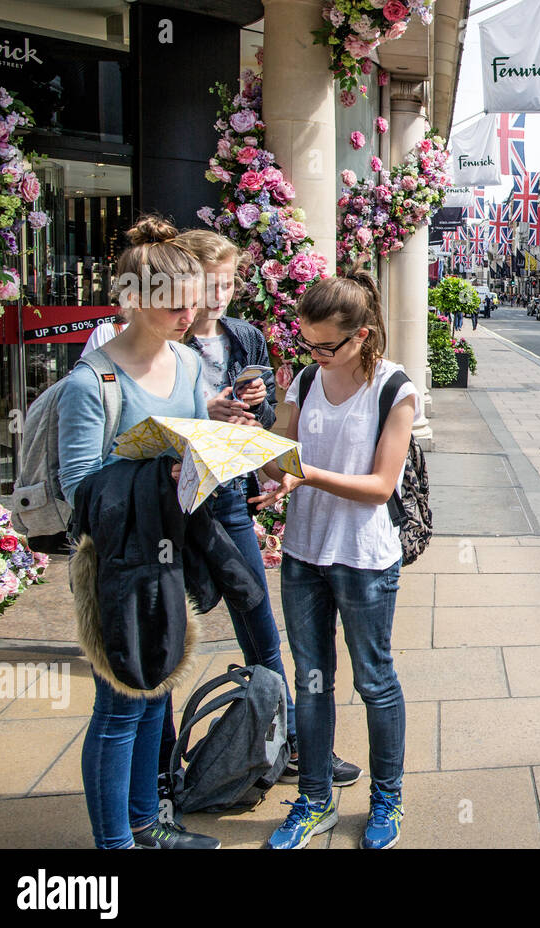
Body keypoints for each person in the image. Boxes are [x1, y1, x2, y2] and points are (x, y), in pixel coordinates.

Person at [165, 229, 361, 797]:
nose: (220, 294)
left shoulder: (244, 336)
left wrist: (254, 414)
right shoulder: (161, 341)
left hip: (227, 493)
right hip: (171, 503)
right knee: (167, 635)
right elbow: (149, 416)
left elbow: (272, 415)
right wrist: (206, 409)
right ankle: (162, 770)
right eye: (209, 282)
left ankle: (292, 742)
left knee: (258, 618)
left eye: (228, 283)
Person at [57, 215, 219, 849]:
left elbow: (201, 447)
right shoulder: (89, 382)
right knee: (120, 706)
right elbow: (80, 492)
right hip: (116, 565)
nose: (190, 314)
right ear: (131, 300)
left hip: (168, 553)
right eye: (175, 304)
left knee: (156, 695)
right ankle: (116, 845)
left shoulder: (186, 362)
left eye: (195, 301)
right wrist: (157, 472)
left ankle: (147, 824)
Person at [252, 266, 419, 850]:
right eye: (309, 344)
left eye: (328, 345)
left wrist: (306, 476)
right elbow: (279, 460)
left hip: (364, 557)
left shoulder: (394, 389)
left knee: (375, 680)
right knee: (312, 682)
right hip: (303, 552)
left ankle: (387, 800)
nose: (316, 354)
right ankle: (316, 800)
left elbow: (379, 487)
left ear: (363, 335)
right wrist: (264, 427)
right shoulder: (303, 380)